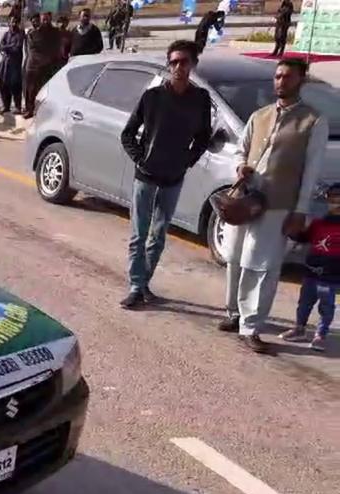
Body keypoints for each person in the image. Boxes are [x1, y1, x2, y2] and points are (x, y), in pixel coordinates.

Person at [220, 58, 330, 353]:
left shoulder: (313, 121)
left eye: (288, 77)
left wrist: (300, 211)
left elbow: (311, 171)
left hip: (278, 205)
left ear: (301, 81)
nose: (281, 82)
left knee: (261, 265)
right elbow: (240, 151)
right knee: (234, 258)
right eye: (278, 76)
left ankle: (251, 326)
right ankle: (234, 314)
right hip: (245, 201)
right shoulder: (260, 115)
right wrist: (241, 166)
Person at [118, 40, 211, 310]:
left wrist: (187, 161)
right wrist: (140, 159)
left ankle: (144, 283)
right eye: (174, 62)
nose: (178, 67)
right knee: (139, 233)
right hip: (146, 177)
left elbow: (203, 137)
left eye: (184, 61)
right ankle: (135, 287)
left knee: (158, 236)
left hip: (174, 178)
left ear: (193, 64)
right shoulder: (153, 97)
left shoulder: (200, 99)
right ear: (168, 64)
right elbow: (127, 134)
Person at [280, 187, 340, 351]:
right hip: (311, 272)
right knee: (304, 303)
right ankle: (299, 329)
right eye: (331, 198)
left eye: (338, 198)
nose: (334, 202)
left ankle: (320, 335)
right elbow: (305, 237)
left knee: (326, 307)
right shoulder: (319, 223)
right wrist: (293, 232)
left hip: (331, 276)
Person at [21, 12, 61, 118]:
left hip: (46, 66)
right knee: (29, 89)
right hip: (32, 65)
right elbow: (30, 49)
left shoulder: (54, 32)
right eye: (43, 20)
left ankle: (41, 111)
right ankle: (29, 109)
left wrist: (49, 61)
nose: (45, 21)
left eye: (47, 19)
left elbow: (55, 49)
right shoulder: (31, 33)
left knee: (43, 90)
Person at [0, 15, 24, 113]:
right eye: (12, 22)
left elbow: (17, 48)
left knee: (15, 85)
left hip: (15, 64)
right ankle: (5, 106)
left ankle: (18, 107)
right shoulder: (6, 34)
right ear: (9, 23)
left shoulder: (20, 34)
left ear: (18, 23)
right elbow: (0, 46)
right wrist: (8, 47)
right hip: (5, 63)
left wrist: (6, 47)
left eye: (15, 22)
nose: (13, 24)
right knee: (3, 84)